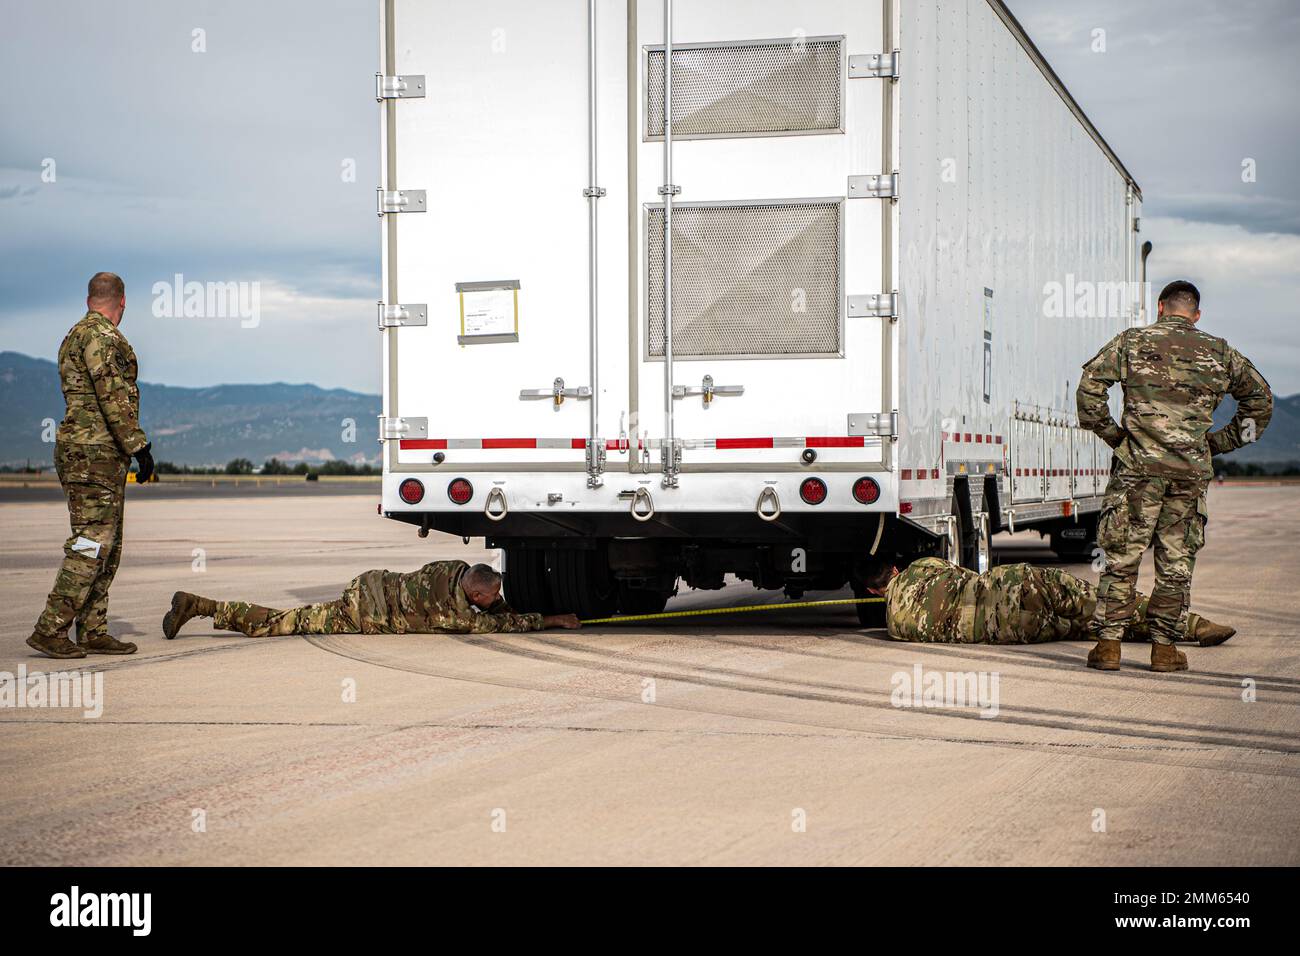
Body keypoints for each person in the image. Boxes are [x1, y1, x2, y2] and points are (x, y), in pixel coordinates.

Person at [1077, 280, 1272, 672]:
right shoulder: (1219, 352)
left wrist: (1116, 436)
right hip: (1188, 474)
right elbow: (1260, 400)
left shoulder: (1131, 343)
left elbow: (1090, 388)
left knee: (1120, 558)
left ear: (1161, 307)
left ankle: (1109, 646)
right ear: (1196, 315)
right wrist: (1216, 443)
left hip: (1137, 472)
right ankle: (1164, 650)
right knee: (1176, 562)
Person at [28, 273, 154, 659]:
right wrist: (139, 446)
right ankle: (51, 628)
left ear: (89, 299)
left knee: (106, 546)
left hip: (91, 452)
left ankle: (93, 627)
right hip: (93, 453)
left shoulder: (74, 335)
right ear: (123, 302)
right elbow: (112, 397)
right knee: (91, 543)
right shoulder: (102, 338)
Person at [859, 557, 1234, 647]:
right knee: (1098, 603)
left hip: (1010, 630)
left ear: (875, 593)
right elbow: (960, 574)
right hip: (1015, 586)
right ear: (894, 569)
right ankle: (1190, 625)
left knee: (1090, 626)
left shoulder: (895, 628)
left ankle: (1160, 636)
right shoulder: (920, 567)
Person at [162, 560, 580, 639]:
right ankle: (201, 605)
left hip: (370, 585)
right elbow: (500, 623)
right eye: (490, 597)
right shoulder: (455, 614)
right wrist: (553, 620)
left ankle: (202, 605)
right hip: (365, 612)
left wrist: (499, 600)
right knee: (282, 622)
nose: (494, 602)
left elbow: (490, 601)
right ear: (474, 594)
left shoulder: (452, 567)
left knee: (292, 617)